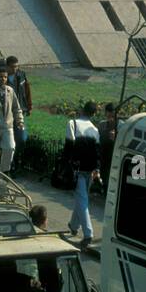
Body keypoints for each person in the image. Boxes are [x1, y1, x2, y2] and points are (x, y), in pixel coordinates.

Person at [64, 101, 101, 252]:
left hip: (77, 169)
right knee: (82, 198)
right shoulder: (95, 129)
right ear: (93, 114)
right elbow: (98, 153)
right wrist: (97, 170)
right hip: (90, 171)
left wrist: (65, 165)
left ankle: (88, 234)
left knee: (82, 200)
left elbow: (68, 147)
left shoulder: (72, 124)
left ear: (81, 110)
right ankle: (73, 226)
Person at [97, 102, 118, 187]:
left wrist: (115, 138)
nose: (110, 119)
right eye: (108, 116)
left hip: (113, 154)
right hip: (102, 152)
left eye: (112, 116)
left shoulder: (121, 126)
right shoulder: (102, 124)